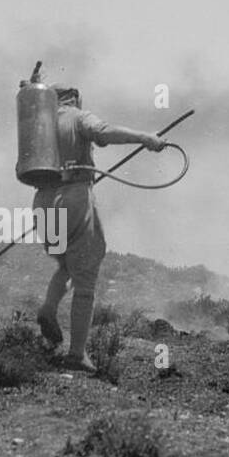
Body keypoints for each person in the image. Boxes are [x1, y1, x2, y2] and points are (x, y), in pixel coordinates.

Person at [33, 86, 166, 374]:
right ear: (75, 98)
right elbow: (104, 132)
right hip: (73, 199)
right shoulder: (78, 117)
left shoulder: (38, 122)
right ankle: (77, 355)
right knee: (86, 279)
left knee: (65, 264)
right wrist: (145, 138)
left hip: (42, 202)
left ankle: (48, 308)